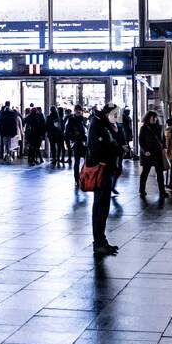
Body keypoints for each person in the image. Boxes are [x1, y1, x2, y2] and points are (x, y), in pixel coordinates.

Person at [87, 104, 125, 256]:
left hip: (107, 169)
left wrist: (116, 131)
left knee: (103, 208)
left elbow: (115, 142)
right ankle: (98, 242)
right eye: (115, 114)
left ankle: (101, 241)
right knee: (100, 207)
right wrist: (118, 148)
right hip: (101, 170)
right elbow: (99, 148)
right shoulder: (98, 126)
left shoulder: (106, 125)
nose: (117, 117)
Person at [137, 110, 167, 200]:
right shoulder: (144, 128)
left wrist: (164, 148)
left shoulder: (160, 127)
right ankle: (142, 189)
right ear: (148, 118)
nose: (155, 119)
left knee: (160, 172)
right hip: (148, 154)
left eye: (155, 117)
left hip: (158, 153)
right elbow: (141, 141)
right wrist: (145, 150)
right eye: (152, 117)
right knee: (145, 172)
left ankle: (162, 191)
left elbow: (163, 138)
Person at [66, 105, 88, 190]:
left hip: (84, 143)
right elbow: (67, 132)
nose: (79, 112)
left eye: (80, 110)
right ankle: (77, 178)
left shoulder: (83, 120)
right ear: (74, 111)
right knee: (77, 162)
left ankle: (83, 177)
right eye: (77, 110)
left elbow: (86, 130)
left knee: (86, 162)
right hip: (76, 143)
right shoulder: (71, 120)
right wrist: (73, 139)